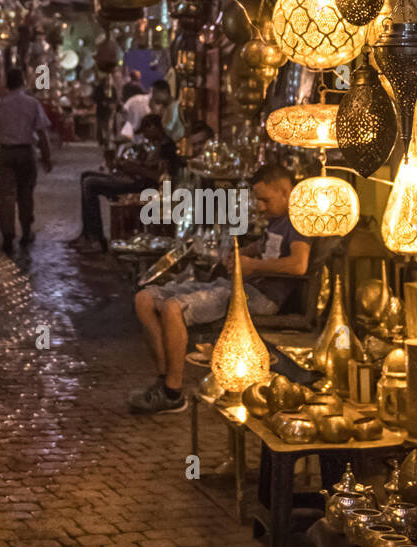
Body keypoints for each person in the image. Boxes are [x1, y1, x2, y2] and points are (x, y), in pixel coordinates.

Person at [129, 163, 312, 414]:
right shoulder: (277, 220)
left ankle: (173, 393)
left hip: (260, 297)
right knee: (145, 299)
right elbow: (268, 246)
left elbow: (299, 265)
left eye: (265, 200)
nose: (260, 206)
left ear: (286, 191)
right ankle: (164, 381)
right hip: (237, 286)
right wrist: (241, 253)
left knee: (172, 308)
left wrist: (253, 265)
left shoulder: (298, 221)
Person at [70, 112, 179, 254]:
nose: (145, 136)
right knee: (86, 176)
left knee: (90, 184)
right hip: (136, 180)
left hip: (144, 187)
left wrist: (136, 168)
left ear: (154, 128)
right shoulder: (155, 145)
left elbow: (160, 177)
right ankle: (87, 233)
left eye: (146, 131)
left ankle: (96, 238)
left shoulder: (166, 147)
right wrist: (125, 165)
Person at [0, 67, 52, 254]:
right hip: (26, 153)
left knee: (6, 196)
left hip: (6, 153)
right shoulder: (32, 103)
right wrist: (47, 157)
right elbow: (42, 131)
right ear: (23, 81)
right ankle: (26, 232)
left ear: (7, 83)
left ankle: (7, 236)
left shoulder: (0, 105)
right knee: (25, 194)